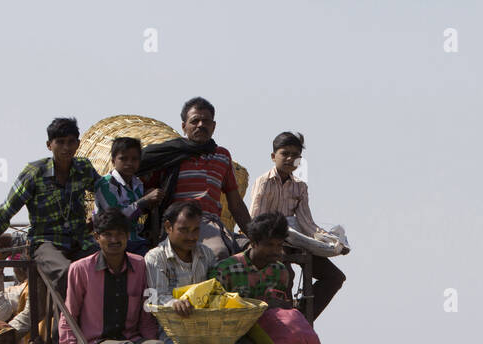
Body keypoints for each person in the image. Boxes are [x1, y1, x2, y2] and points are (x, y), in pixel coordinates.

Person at [63, 209, 207, 344]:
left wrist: (150, 340)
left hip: (132, 337)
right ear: (97, 237)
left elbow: (145, 310)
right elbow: (69, 314)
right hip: (96, 343)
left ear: (127, 236)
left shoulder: (139, 265)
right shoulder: (81, 269)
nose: (114, 240)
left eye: (120, 234)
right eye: (108, 235)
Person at [145, 202, 289, 344]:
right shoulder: (155, 257)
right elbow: (154, 297)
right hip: (176, 334)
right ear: (168, 227)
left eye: (195, 230)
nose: (191, 236)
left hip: (209, 329)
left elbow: (215, 290)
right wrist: (175, 303)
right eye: (184, 230)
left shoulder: (205, 254)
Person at [0, 117, 100, 308]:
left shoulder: (84, 168)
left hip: (80, 240)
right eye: (60, 142)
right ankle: (63, 334)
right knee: (66, 273)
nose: (66, 148)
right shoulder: (35, 173)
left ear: (78, 144)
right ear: (49, 145)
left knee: (107, 267)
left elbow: (107, 193)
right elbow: (5, 212)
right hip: (46, 242)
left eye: (71, 142)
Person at [210, 212, 336, 344]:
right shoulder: (225, 270)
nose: (276, 251)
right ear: (253, 242)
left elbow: (282, 304)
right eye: (270, 245)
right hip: (241, 336)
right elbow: (214, 307)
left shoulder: (280, 271)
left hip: (270, 331)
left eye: (279, 245)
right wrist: (256, 305)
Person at [249, 131, 348, 320]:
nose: (289, 159)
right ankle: (283, 319)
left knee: (334, 277)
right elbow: (256, 219)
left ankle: (302, 317)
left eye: (295, 156)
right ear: (273, 156)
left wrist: (333, 244)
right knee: (286, 275)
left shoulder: (300, 186)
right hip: (268, 239)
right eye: (285, 153)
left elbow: (306, 222)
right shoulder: (264, 182)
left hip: (294, 239)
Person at [137, 97, 251, 260]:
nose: (200, 125)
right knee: (218, 253)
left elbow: (236, 203)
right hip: (178, 221)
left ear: (213, 126)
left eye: (206, 121)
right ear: (184, 126)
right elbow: (137, 185)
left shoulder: (222, 156)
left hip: (209, 221)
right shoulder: (169, 154)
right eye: (195, 121)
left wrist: (255, 234)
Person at [92, 137, 162, 256]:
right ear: (113, 161)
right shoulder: (105, 185)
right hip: (112, 241)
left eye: (134, 159)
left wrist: (148, 205)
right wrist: (144, 201)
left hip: (136, 241)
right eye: (123, 159)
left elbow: (139, 218)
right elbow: (115, 218)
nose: (129, 163)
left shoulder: (138, 184)